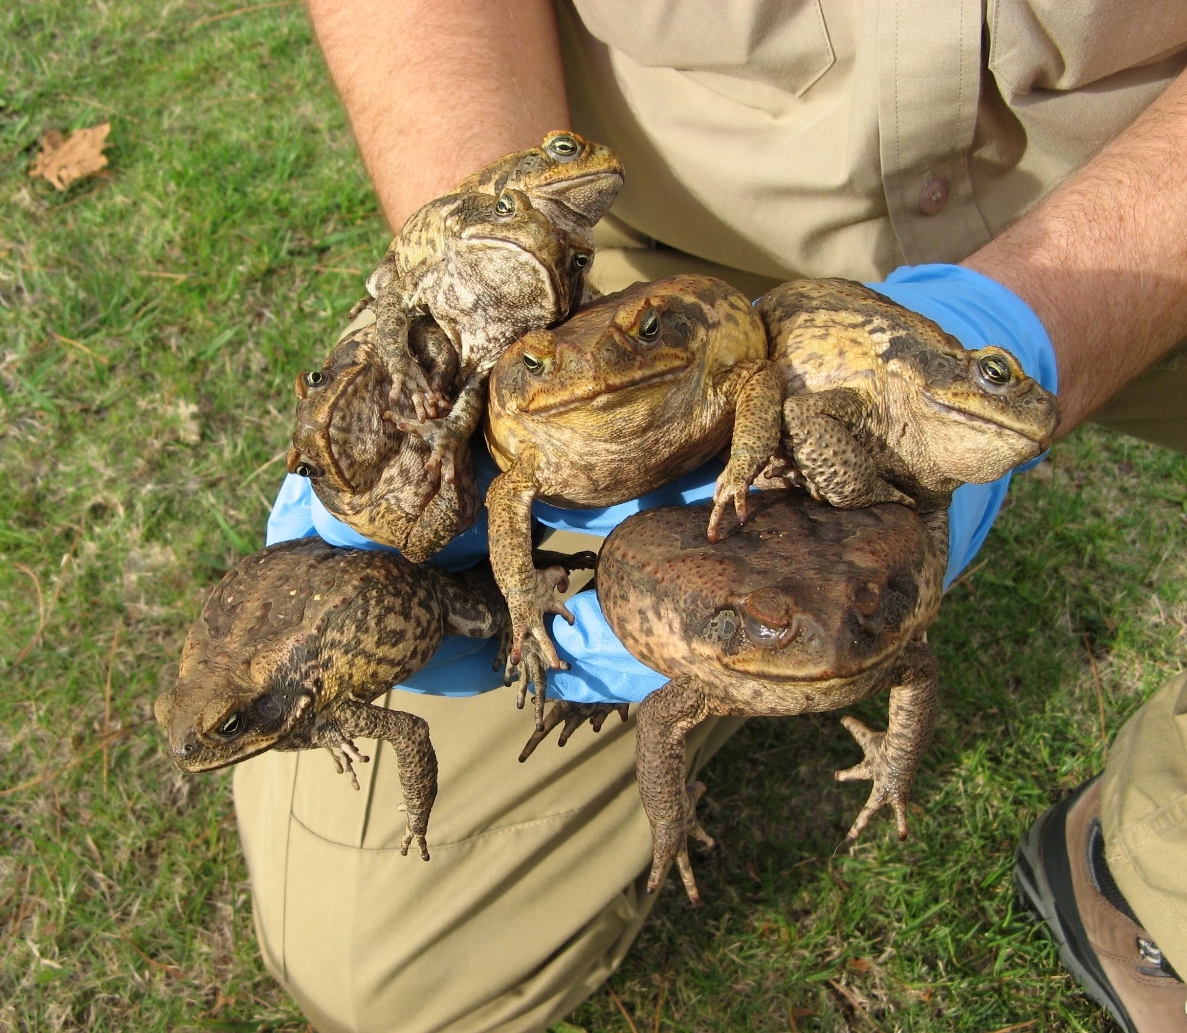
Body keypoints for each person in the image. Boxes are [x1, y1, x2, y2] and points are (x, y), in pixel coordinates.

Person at [232, 4, 1187, 1030]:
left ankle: (1150, 858)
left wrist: (1027, 325)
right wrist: (495, 295)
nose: (845, 644)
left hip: (1129, 210)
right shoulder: (571, 419)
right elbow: (522, 499)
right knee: (375, 958)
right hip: (666, 275)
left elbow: (768, 406)